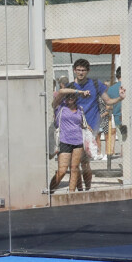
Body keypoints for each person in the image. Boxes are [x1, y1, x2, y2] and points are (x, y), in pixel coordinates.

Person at [53, 57, 105, 186]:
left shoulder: (95, 84)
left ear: (87, 71)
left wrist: (119, 99)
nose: (81, 72)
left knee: (84, 163)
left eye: (83, 70)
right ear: (74, 70)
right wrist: (79, 92)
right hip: (73, 130)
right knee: (73, 166)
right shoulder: (71, 87)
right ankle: (79, 190)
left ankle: (86, 190)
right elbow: (59, 98)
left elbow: (108, 101)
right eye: (78, 70)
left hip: (88, 129)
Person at [49, 88, 85, 193]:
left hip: (78, 142)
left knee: (74, 169)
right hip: (65, 141)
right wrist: (79, 91)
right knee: (62, 171)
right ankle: (50, 192)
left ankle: (71, 195)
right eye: (68, 96)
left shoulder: (80, 109)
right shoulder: (59, 106)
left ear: (76, 98)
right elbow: (60, 91)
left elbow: (82, 123)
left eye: (72, 96)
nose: (70, 98)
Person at [102, 66, 128, 159]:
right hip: (131, 118)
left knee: (123, 142)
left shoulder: (111, 89)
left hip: (117, 118)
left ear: (117, 76)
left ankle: (124, 162)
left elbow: (108, 106)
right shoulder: (129, 86)